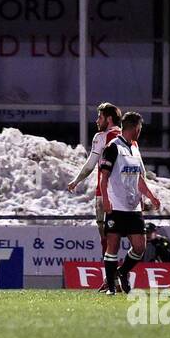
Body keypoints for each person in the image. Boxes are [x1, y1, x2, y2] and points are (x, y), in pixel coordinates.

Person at [96, 112, 161, 295]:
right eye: (139, 129)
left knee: (140, 247)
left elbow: (139, 178)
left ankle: (122, 272)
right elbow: (104, 177)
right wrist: (106, 200)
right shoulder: (113, 147)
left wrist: (151, 196)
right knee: (113, 246)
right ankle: (110, 287)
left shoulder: (134, 148)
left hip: (133, 208)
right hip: (116, 206)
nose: (140, 132)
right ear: (134, 128)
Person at [67, 102, 123, 291]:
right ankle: (116, 278)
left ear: (108, 119)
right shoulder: (127, 138)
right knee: (125, 238)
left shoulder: (102, 137)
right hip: (124, 196)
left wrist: (76, 181)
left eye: (99, 117)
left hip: (104, 195)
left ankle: (112, 280)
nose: (96, 120)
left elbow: (91, 165)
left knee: (106, 239)